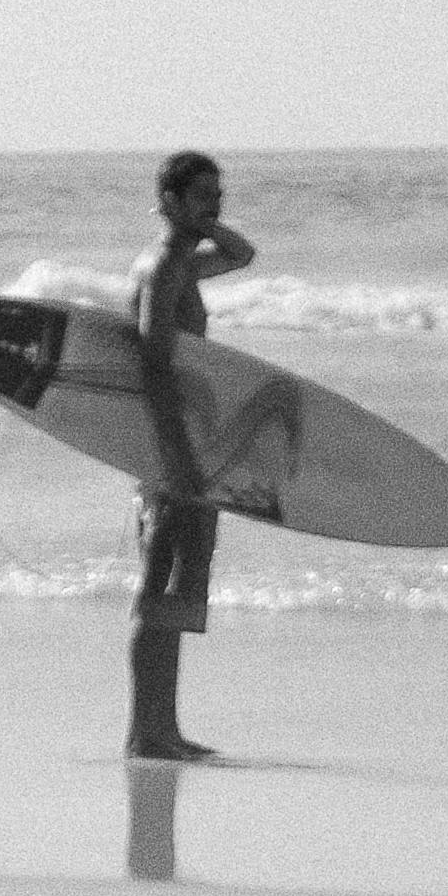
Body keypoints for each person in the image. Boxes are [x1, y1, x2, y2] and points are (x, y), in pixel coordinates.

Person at [125, 150, 257, 758]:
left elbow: (242, 254)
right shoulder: (161, 270)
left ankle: (165, 728)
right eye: (203, 195)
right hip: (169, 449)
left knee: (177, 592)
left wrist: (199, 223)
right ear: (171, 200)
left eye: (219, 195)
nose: (216, 206)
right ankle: (145, 733)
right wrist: (175, 459)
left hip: (185, 445)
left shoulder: (182, 264)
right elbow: (154, 366)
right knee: (158, 587)